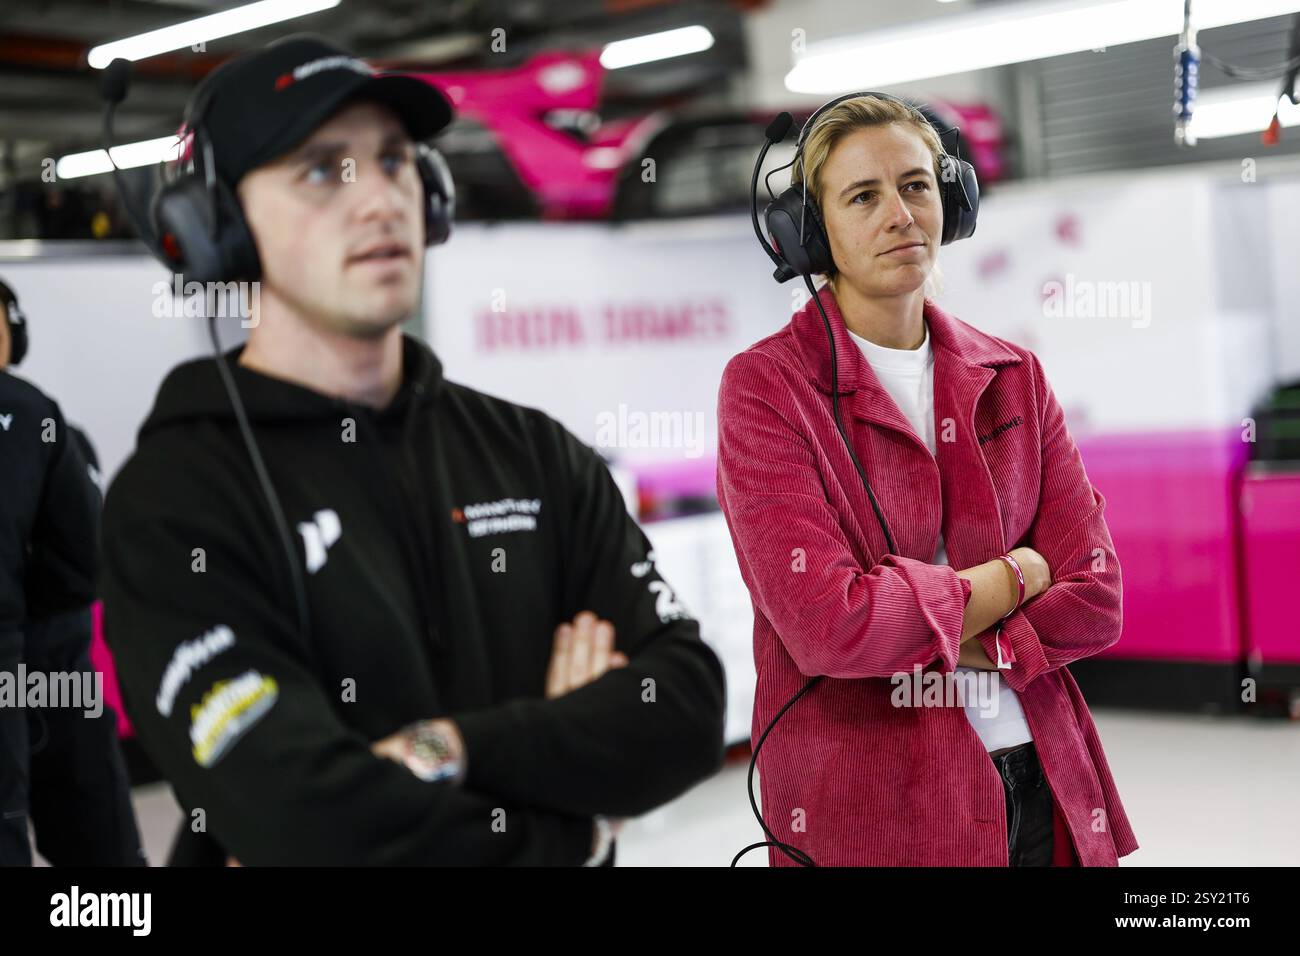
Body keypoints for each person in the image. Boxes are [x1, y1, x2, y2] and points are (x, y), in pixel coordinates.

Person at [99, 35, 726, 866]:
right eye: (323, 170)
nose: (379, 200)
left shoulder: (532, 452)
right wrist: (567, 832)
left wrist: (447, 747)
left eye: (394, 161)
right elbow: (299, 817)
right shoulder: (175, 503)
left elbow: (683, 704)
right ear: (215, 228)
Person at [717, 94, 1138, 866]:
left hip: (1041, 776)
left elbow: (1098, 596)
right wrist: (1018, 573)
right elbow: (831, 627)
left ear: (951, 197)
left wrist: (933, 620)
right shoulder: (767, 389)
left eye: (915, 185)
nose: (900, 214)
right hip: (872, 809)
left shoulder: (1013, 374)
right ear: (810, 231)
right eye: (863, 196)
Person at [0, 277, 143, 865]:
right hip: (46, 659)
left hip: (38, 659)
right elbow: (85, 564)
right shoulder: (32, 416)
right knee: (98, 858)